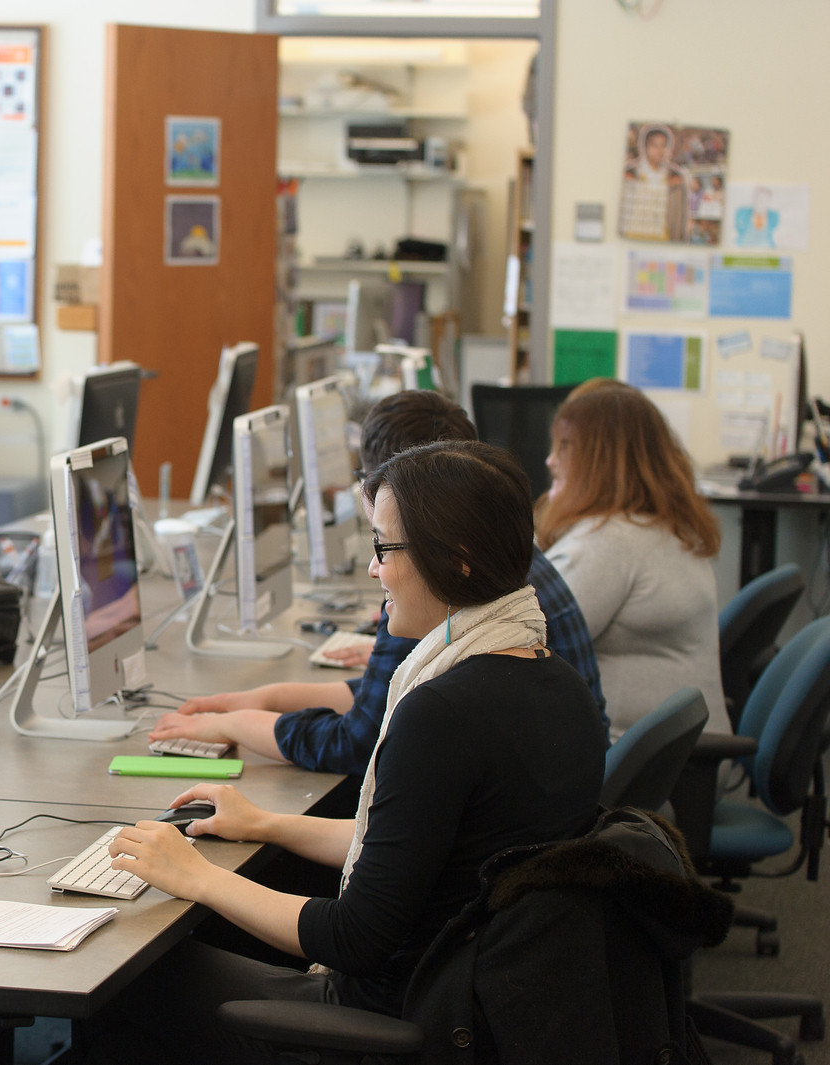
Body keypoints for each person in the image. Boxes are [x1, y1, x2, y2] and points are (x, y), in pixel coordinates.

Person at [89, 442, 604, 1057]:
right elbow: (421, 851)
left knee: (126, 978)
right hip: (494, 997)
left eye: (384, 548)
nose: (372, 569)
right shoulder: (554, 679)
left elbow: (355, 938)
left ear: (457, 559)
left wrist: (193, 875)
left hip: (411, 1014)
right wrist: (267, 824)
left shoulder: (442, 714)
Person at [148, 389, 605, 774]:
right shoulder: (495, 565)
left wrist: (236, 726)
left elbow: (358, 740)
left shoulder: (435, 587)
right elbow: (385, 698)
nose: (374, 564)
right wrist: (259, 700)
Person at [537, 378, 728, 737]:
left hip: (637, 766)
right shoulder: (660, 526)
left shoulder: (613, 542)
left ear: (600, 461)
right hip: (672, 756)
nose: (551, 461)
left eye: (565, 448)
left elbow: (522, 635)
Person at [619, 123, 689, 242]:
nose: (659, 150)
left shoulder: (675, 177)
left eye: (663, 145)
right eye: (654, 145)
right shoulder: (630, 174)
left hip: (663, 239)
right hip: (632, 237)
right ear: (645, 147)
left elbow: (680, 216)